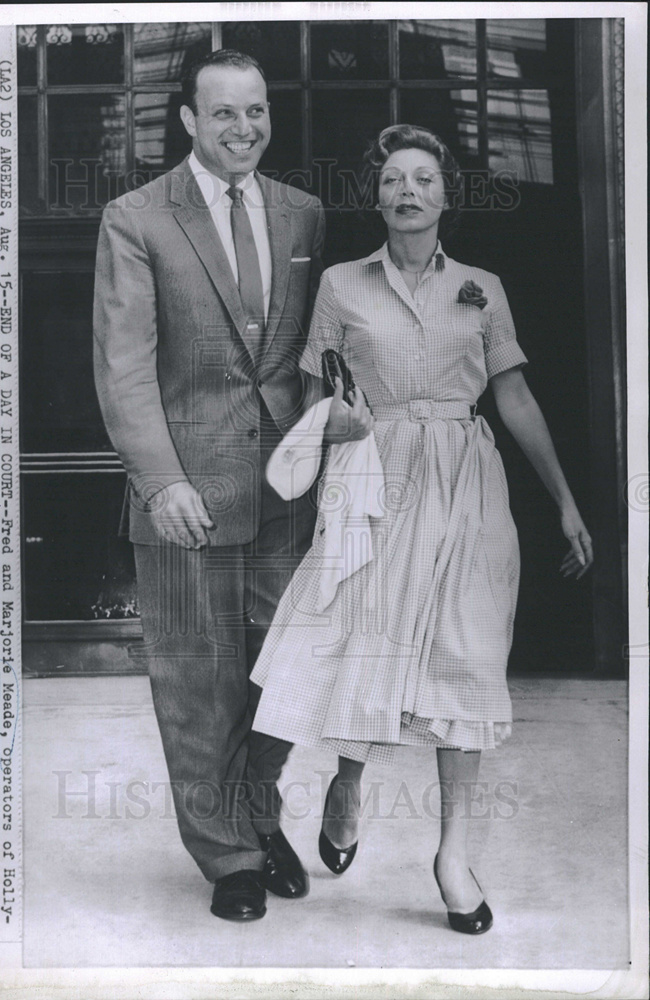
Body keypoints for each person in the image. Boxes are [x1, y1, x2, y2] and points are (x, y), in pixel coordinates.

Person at [250, 124, 593, 933]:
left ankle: (452, 853)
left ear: (446, 196)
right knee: (372, 640)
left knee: (465, 657)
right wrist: (339, 423)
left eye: (425, 179)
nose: (409, 191)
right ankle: (347, 779)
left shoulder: (482, 286)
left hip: (468, 484)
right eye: (394, 179)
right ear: (375, 196)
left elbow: (512, 398)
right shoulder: (340, 285)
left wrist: (567, 502)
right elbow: (311, 403)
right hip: (375, 478)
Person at [93, 50, 326, 922]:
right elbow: (123, 368)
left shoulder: (303, 215)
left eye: (256, 112)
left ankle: (258, 813)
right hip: (187, 489)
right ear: (188, 120)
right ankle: (227, 854)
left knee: (287, 671)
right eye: (224, 113)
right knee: (199, 681)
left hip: (288, 490)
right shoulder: (137, 218)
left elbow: (309, 352)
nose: (244, 130)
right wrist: (160, 483)